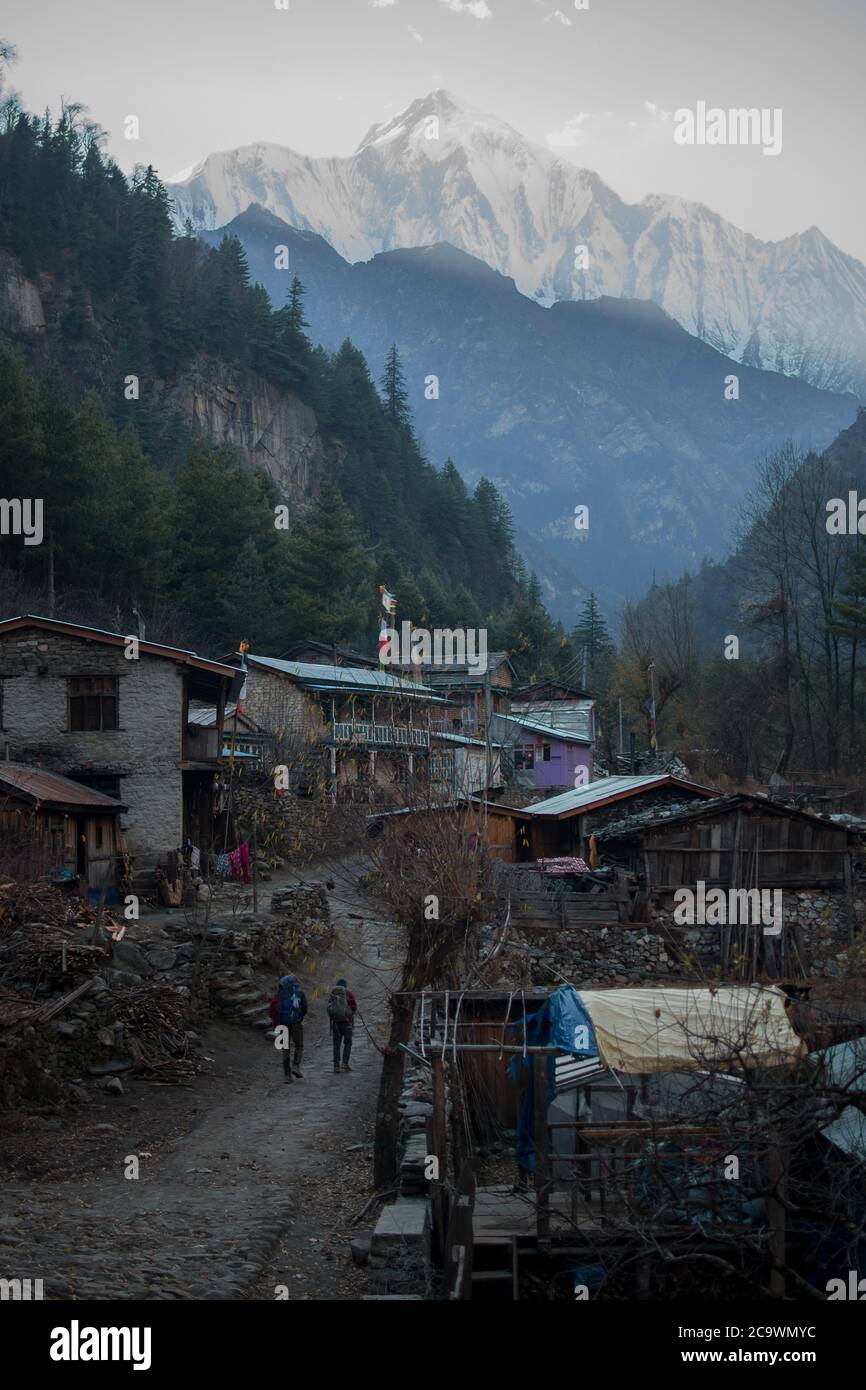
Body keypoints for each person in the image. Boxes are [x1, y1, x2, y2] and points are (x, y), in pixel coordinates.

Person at [268, 974, 308, 1082]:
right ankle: (296, 1066)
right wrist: (299, 1018)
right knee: (299, 1045)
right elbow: (305, 1008)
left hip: (282, 1024)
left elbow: (271, 1011)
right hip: (296, 1023)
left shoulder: (279, 995)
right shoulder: (300, 993)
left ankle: (287, 1075)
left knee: (285, 1049)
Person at [328, 978, 357, 1074]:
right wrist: (349, 1014)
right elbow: (354, 1008)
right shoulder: (349, 994)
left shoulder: (333, 994)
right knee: (348, 1043)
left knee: (336, 1045)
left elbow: (329, 1008)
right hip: (347, 1023)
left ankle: (336, 1066)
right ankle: (344, 1064)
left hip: (336, 1024)